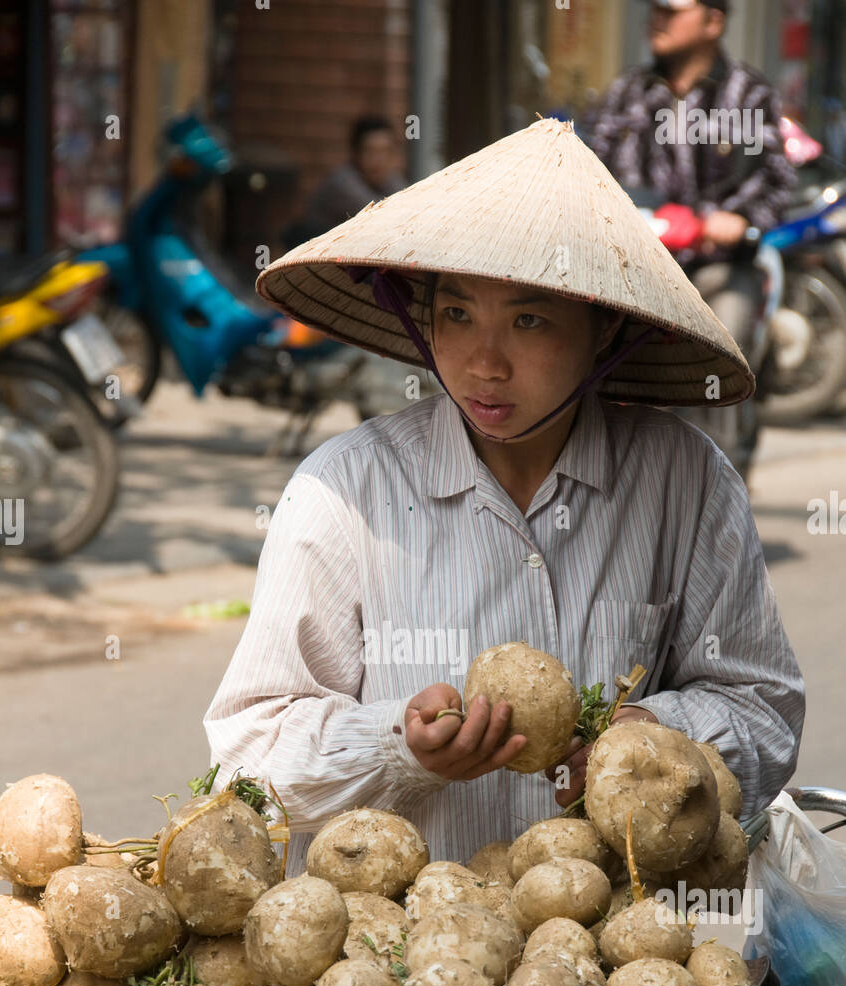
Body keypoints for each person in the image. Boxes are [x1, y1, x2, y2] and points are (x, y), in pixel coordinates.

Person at [204, 117, 804, 880]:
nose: (484, 363)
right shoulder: (342, 488)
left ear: (604, 330)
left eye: (528, 319)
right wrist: (399, 745)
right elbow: (245, 760)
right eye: (456, 314)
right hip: (399, 966)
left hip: (617, 959)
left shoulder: (684, 481)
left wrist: (654, 729)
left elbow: (763, 711)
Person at [586, 0, 796, 478]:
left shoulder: (748, 94)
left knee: (724, 360)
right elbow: (591, 169)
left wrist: (735, 221)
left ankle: (721, 497)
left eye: (671, 10)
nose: (656, 19)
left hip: (720, 269)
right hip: (636, 275)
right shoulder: (627, 92)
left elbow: (776, 181)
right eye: (654, 10)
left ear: (712, 21)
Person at [283, 116, 407, 248]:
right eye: (370, 152)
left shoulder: (391, 179)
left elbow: (408, 208)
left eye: (385, 151)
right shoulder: (342, 183)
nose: (378, 160)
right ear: (355, 153)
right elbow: (382, 217)